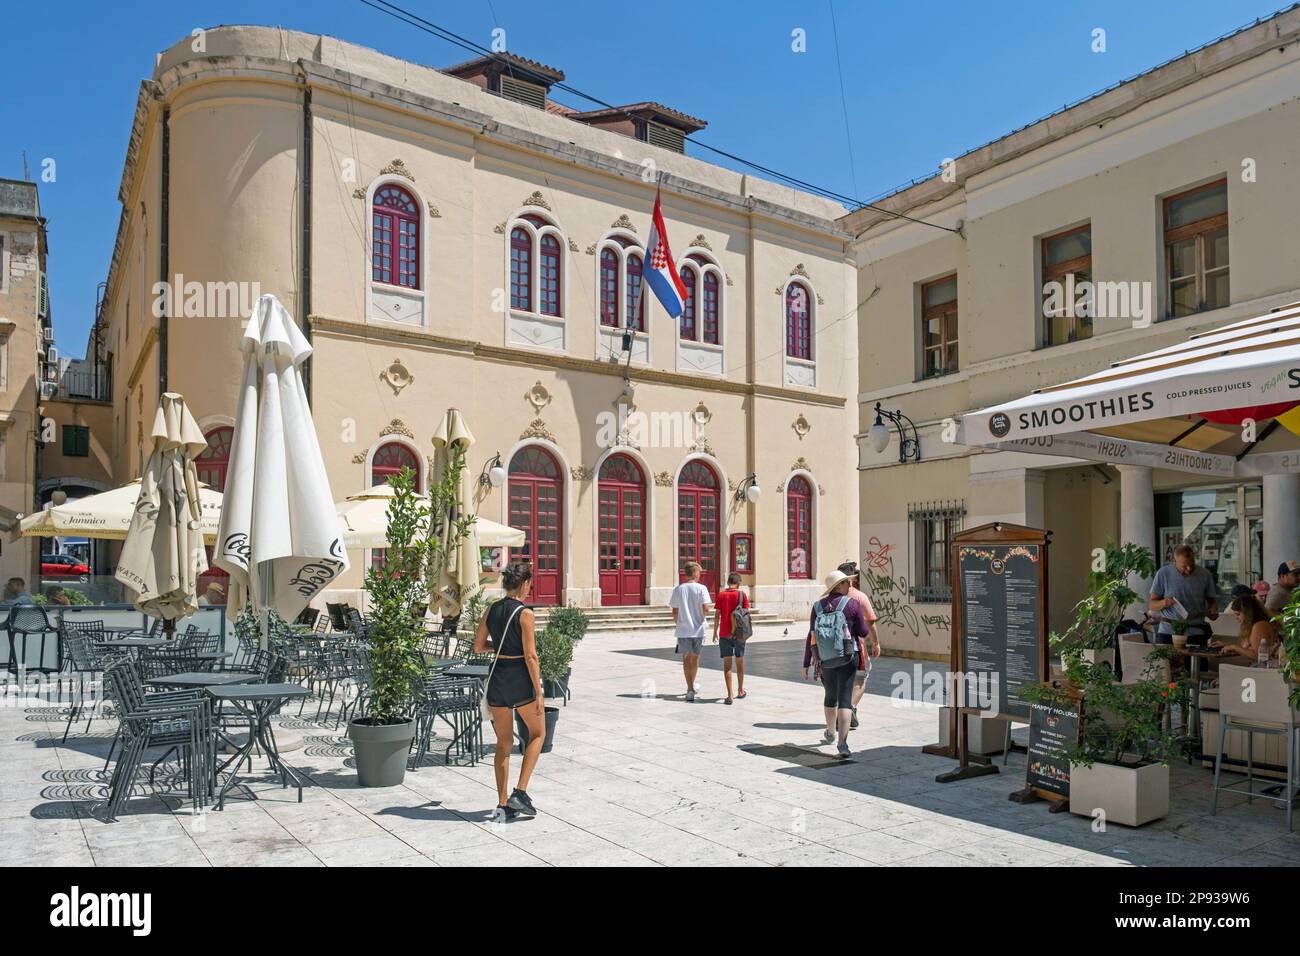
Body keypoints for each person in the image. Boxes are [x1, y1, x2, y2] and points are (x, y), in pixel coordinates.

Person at [474, 562, 545, 821]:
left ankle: (503, 803)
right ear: (524, 583)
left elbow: (478, 646)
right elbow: (530, 656)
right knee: (538, 733)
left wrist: (499, 649)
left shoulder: (490, 610)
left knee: (504, 743)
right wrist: (539, 691)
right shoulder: (525, 614)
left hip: (498, 678)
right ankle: (520, 792)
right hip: (519, 678)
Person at [802, 570, 871, 759]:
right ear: (838, 586)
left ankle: (830, 732)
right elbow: (864, 632)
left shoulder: (817, 606)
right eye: (846, 582)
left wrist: (806, 662)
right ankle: (843, 743)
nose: (850, 585)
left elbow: (812, 635)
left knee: (830, 695)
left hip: (825, 658)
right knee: (845, 699)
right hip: (849, 656)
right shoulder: (852, 604)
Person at [838, 561, 880, 730]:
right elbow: (870, 623)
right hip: (856, 647)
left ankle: (842, 711)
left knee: (841, 681)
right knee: (860, 680)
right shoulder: (860, 597)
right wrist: (876, 642)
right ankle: (850, 708)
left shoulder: (825, 598)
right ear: (852, 578)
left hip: (833, 649)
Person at [1147, 544, 1218, 644]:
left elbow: (1213, 602)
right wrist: (1164, 602)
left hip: (1196, 632)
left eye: (1192, 564)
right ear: (1174, 562)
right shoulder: (1163, 573)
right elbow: (1151, 604)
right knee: (1168, 660)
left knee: (1197, 660)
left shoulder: (1205, 575)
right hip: (1168, 632)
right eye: (1184, 566)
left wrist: (1213, 610)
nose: (1189, 569)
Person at [670, 561, 713, 702]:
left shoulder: (678, 589)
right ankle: (691, 687)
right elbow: (706, 608)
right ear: (695, 573)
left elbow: (675, 611)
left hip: (683, 630)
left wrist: (680, 623)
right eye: (699, 573)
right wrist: (701, 618)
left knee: (686, 660)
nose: (700, 575)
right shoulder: (702, 589)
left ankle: (689, 688)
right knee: (695, 659)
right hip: (698, 630)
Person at [1212, 588, 1279, 664]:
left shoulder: (1259, 626)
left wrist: (1234, 647)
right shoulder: (1257, 624)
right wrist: (1228, 645)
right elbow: (1249, 650)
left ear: (1248, 613)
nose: (1236, 618)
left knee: (1222, 665)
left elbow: (1258, 656)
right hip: (1258, 668)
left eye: (1238, 614)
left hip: (1262, 670)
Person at [712, 572, 749, 704]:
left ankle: (729, 695)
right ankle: (740, 690)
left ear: (728, 582)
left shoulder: (721, 595)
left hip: (724, 633)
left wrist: (715, 631)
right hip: (739, 634)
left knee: (727, 664)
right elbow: (746, 614)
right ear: (738, 583)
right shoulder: (741, 594)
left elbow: (717, 615)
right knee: (740, 662)